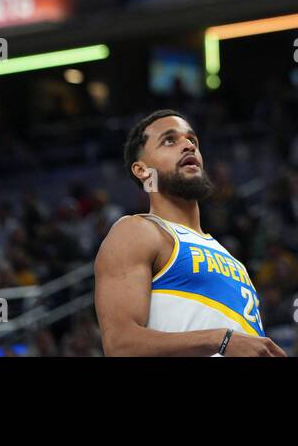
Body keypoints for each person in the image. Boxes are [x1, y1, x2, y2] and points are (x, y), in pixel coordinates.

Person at [94, 110, 284, 356]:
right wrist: (221, 339)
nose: (187, 146)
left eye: (192, 140)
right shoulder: (137, 231)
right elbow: (119, 344)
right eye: (169, 140)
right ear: (142, 170)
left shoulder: (232, 259)